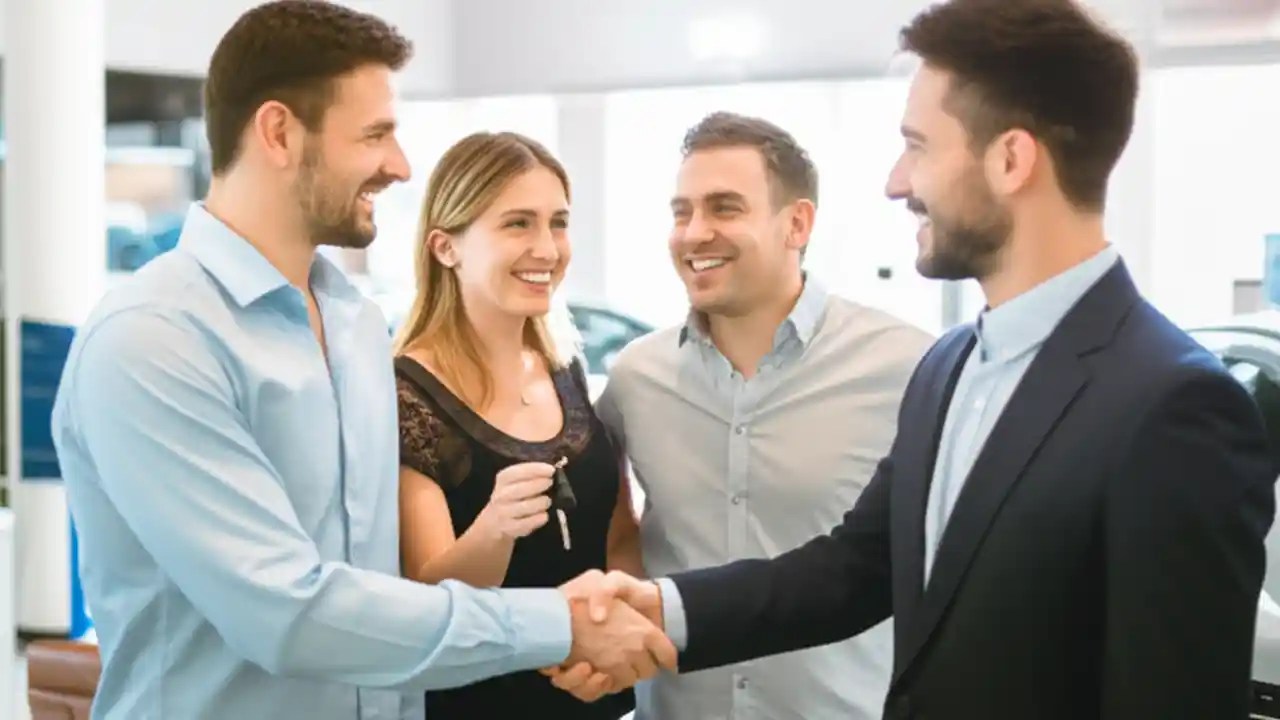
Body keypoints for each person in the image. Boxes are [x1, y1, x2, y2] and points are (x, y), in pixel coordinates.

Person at [554, 1, 1278, 717]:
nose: (897, 182)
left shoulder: (1175, 405)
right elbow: (856, 569)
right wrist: (661, 608)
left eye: (918, 145)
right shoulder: (949, 367)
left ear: (1010, 159)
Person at [49, 3, 672, 719]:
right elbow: (288, 614)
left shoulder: (351, 322)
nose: (401, 167)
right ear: (279, 133)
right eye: (376, 135)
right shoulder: (152, 342)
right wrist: (559, 624)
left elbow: (389, 585)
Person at [582, 112, 931, 719]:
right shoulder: (635, 380)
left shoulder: (907, 367)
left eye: (724, 208)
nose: (694, 233)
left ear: (797, 223)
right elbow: (619, 538)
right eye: (681, 211)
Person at [393, 131, 639, 719]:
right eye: (518, 224)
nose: (548, 248)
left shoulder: (566, 369)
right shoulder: (406, 394)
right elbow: (429, 599)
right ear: (445, 247)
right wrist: (494, 529)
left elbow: (621, 538)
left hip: (597, 699)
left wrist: (615, 645)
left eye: (558, 222)